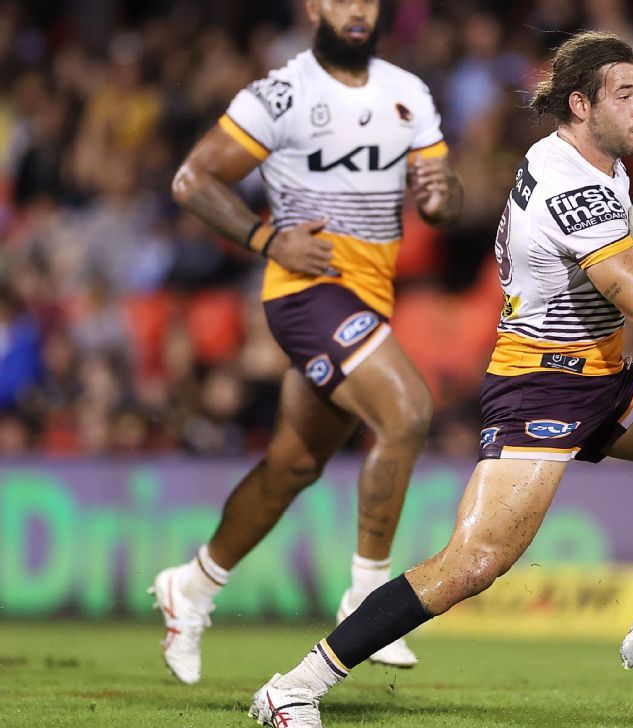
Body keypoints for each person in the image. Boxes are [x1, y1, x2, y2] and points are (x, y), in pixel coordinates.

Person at [247, 31, 633, 727]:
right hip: (542, 387)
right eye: (627, 95)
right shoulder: (573, 186)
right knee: (472, 563)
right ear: (581, 104)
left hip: (599, 375)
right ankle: (293, 688)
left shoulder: (585, 159)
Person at [153, 0, 463, 684]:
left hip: (368, 300)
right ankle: (367, 600)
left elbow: (443, 197)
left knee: (293, 465)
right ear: (313, 8)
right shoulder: (282, 94)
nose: (359, 10)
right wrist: (267, 239)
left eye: (369, 0)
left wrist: (441, 195)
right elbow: (192, 179)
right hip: (304, 293)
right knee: (408, 408)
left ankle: (194, 584)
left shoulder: (407, 94)